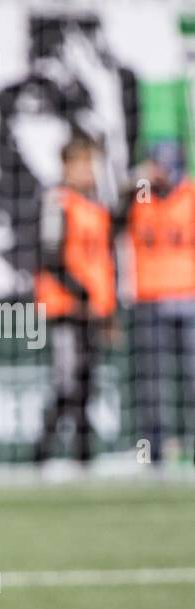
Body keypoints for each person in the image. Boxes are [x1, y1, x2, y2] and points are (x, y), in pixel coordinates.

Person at [32, 132, 119, 465]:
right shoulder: (58, 202)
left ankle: (84, 459)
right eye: (83, 163)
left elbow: (102, 264)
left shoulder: (96, 207)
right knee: (68, 382)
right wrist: (82, 294)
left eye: (92, 163)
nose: (89, 171)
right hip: (67, 309)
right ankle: (41, 456)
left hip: (91, 309)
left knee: (85, 384)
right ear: (67, 166)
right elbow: (51, 256)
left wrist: (104, 309)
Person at [121, 141, 195, 465]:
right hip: (149, 297)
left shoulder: (190, 195)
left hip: (189, 296)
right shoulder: (142, 194)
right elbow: (115, 212)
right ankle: (151, 452)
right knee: (151, 382)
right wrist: (136, 180)